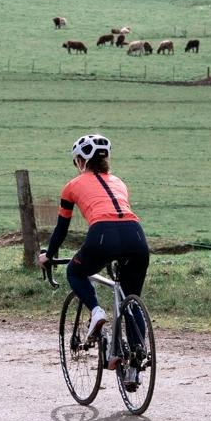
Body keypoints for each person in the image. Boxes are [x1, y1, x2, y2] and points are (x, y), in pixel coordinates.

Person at [39, 132, 150, 383]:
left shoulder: (71, 186)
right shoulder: (120, 182)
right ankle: (135, 360)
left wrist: (48, 254)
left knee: (75, 272)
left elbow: (61, 228)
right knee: (131, 301)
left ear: (81, 161)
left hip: (102, 234)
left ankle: (97, 311)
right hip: (136, 235)